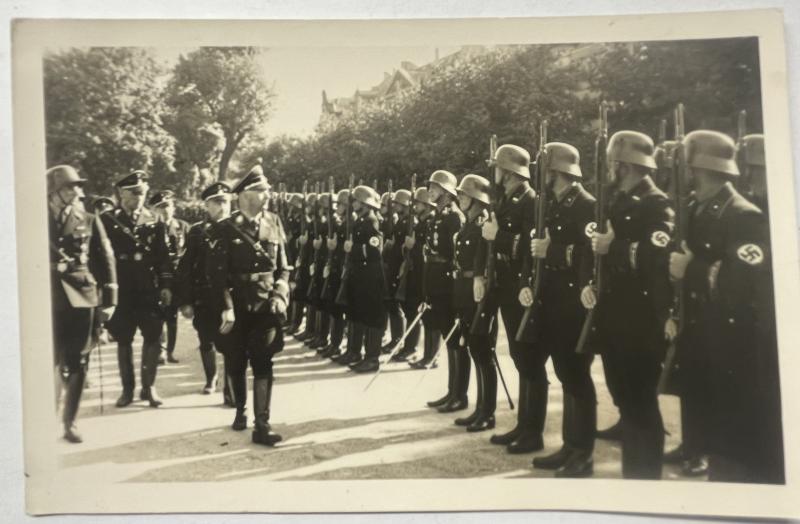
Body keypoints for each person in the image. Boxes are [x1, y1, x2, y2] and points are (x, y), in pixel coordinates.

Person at [668, 130, 783, 484]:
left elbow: (743, 281)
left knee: (733, 446)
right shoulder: (694, 207)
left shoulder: (741, 215)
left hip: (731, 342)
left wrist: (693, 269)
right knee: (711, 431)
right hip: (701, 334)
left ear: (696, 168)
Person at [581, 131, 673, 479]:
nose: (608, 168)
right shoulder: (617, 200)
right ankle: (634, 474)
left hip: (640, 321)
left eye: (612, 163)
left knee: (641, 405)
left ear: (623, 166)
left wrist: (614, 248)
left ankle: (644, 481)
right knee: (625, 399)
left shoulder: (655, 202)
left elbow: (659, 255)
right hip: (614, 318)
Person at [517, 142, 597, 477]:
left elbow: (591, 255)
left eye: (545, 169)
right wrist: (527, 281)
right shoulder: (548, 204)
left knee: (577, 376)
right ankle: (569, 445)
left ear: (557, 171)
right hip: (549, 300)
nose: (542, 175)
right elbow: (532, 244)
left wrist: (553, 251)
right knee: (566, 374)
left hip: (573, 303)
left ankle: (583, 452)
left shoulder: (586, 205)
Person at [209, 165, 290, 445]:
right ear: (245, 195)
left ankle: (262, 424)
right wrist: (226, 306)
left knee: (263, 360)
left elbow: (284, 268)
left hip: (266, 305)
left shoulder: (274, 222)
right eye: (261, 190)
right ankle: (240, 410)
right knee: (235, 360)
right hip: (237, 306)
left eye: (267, 189)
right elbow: (216, 276)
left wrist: (280, 294)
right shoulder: (224, 228)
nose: (268, 194)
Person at [480, 144, 545, 454]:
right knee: (520, 358)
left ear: (507, 171)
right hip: (506, 286)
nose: (494, 172)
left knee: (530, 360)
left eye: (497, 168)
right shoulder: (505, 199)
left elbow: (529, 245)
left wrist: (498, 236)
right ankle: (524, 424)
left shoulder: (529, 200)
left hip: (521, 287)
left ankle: (534, 432)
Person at [48, 165, 117, 442]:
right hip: (47, 296)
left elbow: (105, 258)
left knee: (79, 360)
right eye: (70, 187)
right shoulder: (32, 217)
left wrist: (110, 299)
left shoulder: (88, 218)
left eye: (78, 186)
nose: (77, 191)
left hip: (81, 296)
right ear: (54, 192)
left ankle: (70, 422)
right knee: (47, 360)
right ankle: (45, 416)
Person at [101, 170, 173, 408]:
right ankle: (127, 389)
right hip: (122, 290)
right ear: (122, 193)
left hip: (147, 290)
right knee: (123, 339)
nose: (140, 197)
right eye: (134, 193)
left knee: (152, 336)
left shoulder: (154, 220)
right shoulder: (108, 220)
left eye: (142, 193)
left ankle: (149, 387)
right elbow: (101, 258)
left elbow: (163, 256)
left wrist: (165, 285)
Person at [175, 182, 233, 400]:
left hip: (230, 297)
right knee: (206, 339)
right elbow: (186, 267)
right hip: (204, 296)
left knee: (230, 342)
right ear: (207, 205)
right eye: (217, 202)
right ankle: (211, 378)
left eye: (225, 201)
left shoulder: (236, 228)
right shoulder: (197, 231)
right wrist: (185, 301)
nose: (222, 206)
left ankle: (230, 388)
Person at [452, 174, 498, 432]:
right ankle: (479, 408)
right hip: (464, 291)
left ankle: (487, 412)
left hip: (478, 293)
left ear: (477, 198)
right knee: (474, 349)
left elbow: (486, 265)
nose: (459, 199)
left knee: (483, 353)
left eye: (463, 195)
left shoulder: (483, 223)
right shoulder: (468, 224)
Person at [419, 170, 468, 413]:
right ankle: (452, 391)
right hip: (436, 282)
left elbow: (457, 257)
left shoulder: (454, 217)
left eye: (435, 186)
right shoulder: (437, 216)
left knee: (456, 342)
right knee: (449, 342)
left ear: (447, 191)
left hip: (448, 284)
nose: (430, 189)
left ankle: (460, 394)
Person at [343, 185, 388, 373]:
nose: (353, 204)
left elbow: (375, 250)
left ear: (364, 202)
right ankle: (360, 354)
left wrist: (352, 249)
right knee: (361, 314)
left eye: (355, 200)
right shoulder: (361, 221)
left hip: (371, 276)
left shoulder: (371, 221)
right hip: (361, 276)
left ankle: (372, 358)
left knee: (372, 317)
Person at [149, 189, 191, 364]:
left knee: (172, 317)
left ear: (174, 207)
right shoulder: (151, 228)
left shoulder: (183, 227)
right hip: (157, 277)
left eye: (168, 206)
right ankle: (160, 350)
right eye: (160, 207)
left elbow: (190, 253)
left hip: (177, 278)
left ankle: (170, 351)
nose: (165, 210)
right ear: (154, 210)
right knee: (159, 315)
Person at [401, 187, 436, 364]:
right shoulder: (419, 222)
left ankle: (430, 356)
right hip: (416, 273)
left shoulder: (430, 222)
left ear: (427, 205)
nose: (415, 206)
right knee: (412, 309)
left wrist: (413, 246)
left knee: (428, 316)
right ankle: (410, 347)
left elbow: (429, 248)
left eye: (418, 203)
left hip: (426, 273)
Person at [381, 190, 407, 354]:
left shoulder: (404, 222)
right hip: (390, 265)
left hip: (397, 267)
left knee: (395, 306)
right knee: (389, 303)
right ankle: (394, 338)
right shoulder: (396, 222)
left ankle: (398, 339)